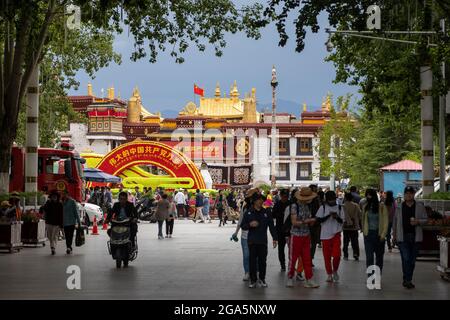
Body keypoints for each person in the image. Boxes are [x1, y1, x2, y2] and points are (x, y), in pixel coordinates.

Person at [393, 186, 427, 289]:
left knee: (411, 260)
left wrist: (418, 221)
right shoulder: (399, 207)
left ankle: (407, 279)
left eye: (411, 193)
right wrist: (394, 235)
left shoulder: (420, 206)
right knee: (406, 258)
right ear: (404, 195)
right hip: (402, 238)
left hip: (415, 237)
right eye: (407, 193)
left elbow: (425, 219)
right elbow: (395, 222)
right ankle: (407, 280)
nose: (409, 195)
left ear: (413, 194)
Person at [240, 193, 278, 288]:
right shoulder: (248, 212)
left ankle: (262, 278)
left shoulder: (266, 212)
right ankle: (253, 280)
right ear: (254, 201)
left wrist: (275, 238)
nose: (261, 201)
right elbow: (243, 226)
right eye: (258, 200)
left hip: (263, 241)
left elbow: (271, 226)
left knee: (262, 261)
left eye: (262, 199)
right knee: (252, 261)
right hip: (252, 241)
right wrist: (250, 225)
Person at [286, 188, 320, 288]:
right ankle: (290, 277)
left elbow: (308, 220)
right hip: (296, 235)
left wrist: (314, 221)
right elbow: (294, 222)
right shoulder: (294, 206)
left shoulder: (307, 206)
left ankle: (309, 278)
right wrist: (307, 221)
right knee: (293, 258)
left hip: (306, 235)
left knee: (307, 258)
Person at [316, 190, 345, 282]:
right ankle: (329, 274)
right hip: (325, 235)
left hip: (336, 234)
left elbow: (342, 221)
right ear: (327, 200)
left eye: (333, 199)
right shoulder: (322, 208)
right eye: (330, 200)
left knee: (337, 255)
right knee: (327, 256)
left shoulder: (340, 208)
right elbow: (319, 220)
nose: (332, 201)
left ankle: (335, 270)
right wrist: (329, 216)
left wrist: (336, 217)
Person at [232, 188, 259, 281]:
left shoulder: (261, 209)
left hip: (257, 236)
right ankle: (247, 272)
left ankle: (256, 272)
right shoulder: (245, 207)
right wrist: (236, 232)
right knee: (246, 255)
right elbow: (240, 220)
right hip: (245, 235)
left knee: (256, 256)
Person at [361, 188, 388, 275]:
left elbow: (385, 222)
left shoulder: (382, 207)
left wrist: (383, 235)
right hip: (368, 235)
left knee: (379, 257)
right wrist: (364, 232)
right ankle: (370, 276)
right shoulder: (365, 207)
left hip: (379, 235)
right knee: (369, 257)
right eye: (367, 195)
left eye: (370, 195)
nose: (368, 197)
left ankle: (377, 275)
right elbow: (363, 220)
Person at [271, 189, 290, 271]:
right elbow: (273, 215)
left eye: (286, 196)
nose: (285, 198)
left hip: (289, 230)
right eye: (284, 196)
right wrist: (280, 214)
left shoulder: (290, 204)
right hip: (280, 229)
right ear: (281, 196)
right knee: (281, 249)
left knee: (292, 249)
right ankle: (282, 264)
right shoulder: (277, 204)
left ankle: (291, 264)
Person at [40, 191, 63, 255]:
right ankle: (52, 246)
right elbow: (43, 209)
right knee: (49, 236)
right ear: (51, 197)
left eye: (55, 197)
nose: (54, 198)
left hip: (57, 223)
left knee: (54, 236)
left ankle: (53, 248)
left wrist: (61, 224)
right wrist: (46, 204)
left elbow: (61, 215)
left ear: (57, 197)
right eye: (53, 197)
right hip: (49, 222)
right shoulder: (48, 203)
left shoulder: (60, 204)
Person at [342, 192, 362, 261]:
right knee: (355, 241)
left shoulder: (343, 206)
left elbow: (342, 216)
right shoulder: (356, 205)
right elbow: (360, 215)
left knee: (345, 241)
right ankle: (355, 254)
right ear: (352, 198)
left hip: (346, 226)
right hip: (354, 227)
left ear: (345, 198)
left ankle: (345, 255)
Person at [62, 190, 81, 255]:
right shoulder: (62, 202)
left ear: (68, 194)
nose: (63, 195)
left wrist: (79, 222)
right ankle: (68, 247)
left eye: (64, 194)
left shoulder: (72, 201)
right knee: (67, 236)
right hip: (65, 222)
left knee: (70, 235)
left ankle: (69, 247)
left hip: (71, 222)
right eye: (63, 194)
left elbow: (76, 212)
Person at [308, 184, 321, 265]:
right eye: (314, 190)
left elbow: (319, 211)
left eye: (316, 190)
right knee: (309, 243)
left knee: (313, 242)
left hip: (315, 224)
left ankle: (310, 258)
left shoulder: (317, 199)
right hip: (307, 224)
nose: (315, 192)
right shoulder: (306, 199)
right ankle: (307, 259)